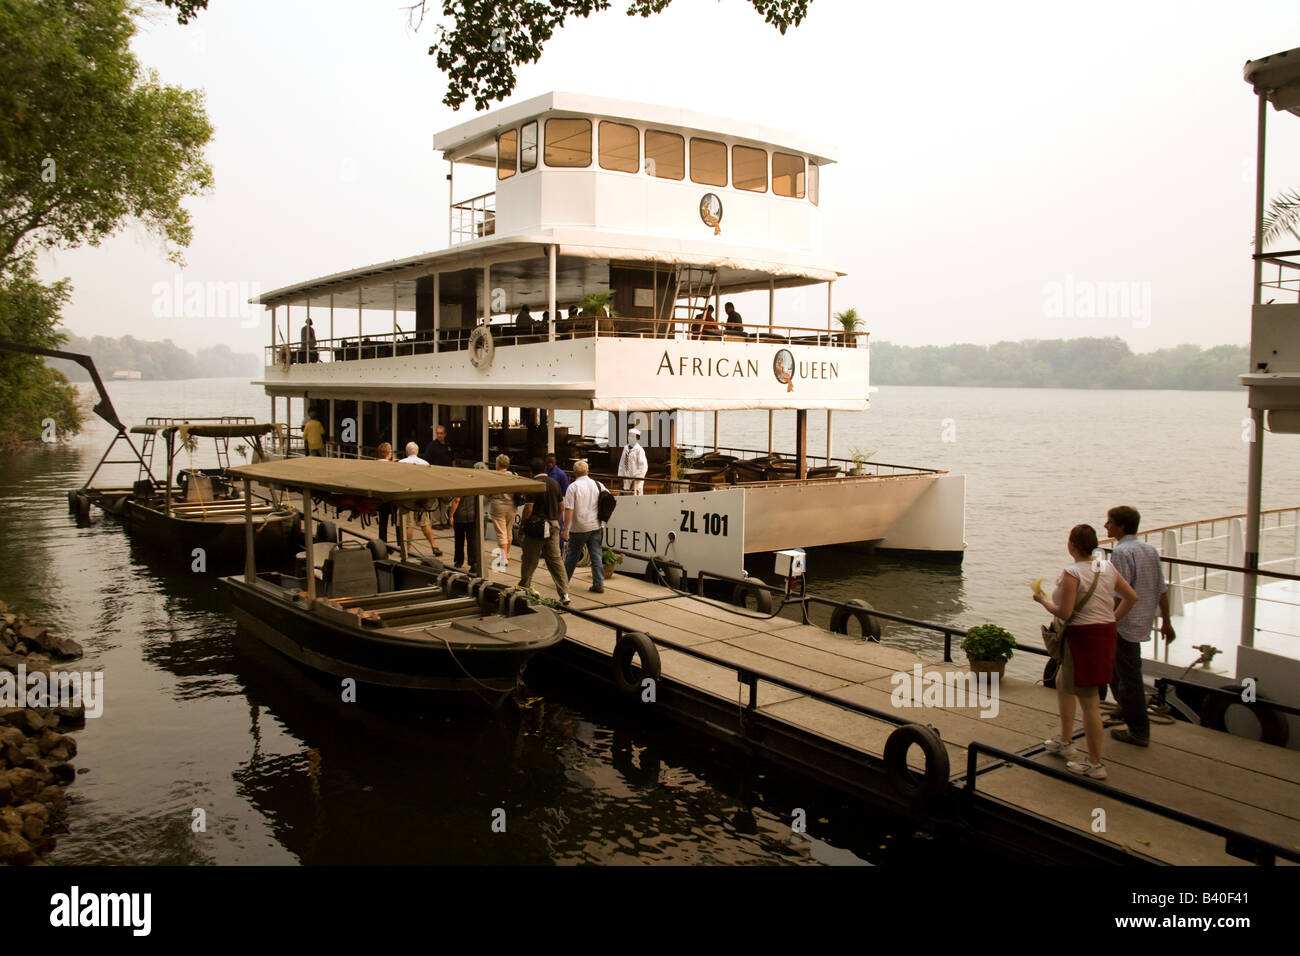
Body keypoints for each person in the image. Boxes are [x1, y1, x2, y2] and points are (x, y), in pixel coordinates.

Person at [1033, 524, 1138, 780]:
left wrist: (1043, 601)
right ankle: (1066, 738)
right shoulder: (1106, 566)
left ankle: (1095, 763)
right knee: (1062, 682)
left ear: (1071, 545)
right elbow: (1131, 597)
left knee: (1090, 701)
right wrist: (1111, 619)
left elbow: (1065, 613)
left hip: (1082, 638)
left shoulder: (1072, 573)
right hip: (1104, 635)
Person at [1104, 506, 1176, 747]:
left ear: (1121, 526)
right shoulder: (1150, 549)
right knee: (1115, 668)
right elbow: (1161, 588)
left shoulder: (1121, 553)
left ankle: (1138, 731)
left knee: (1130, 676)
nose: (1106, 526)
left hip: (1124, 623)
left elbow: (1118, 593)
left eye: (1110, 522)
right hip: (1144, 619)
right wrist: (1166, 621)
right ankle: (1125, 708)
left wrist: (1104, 618)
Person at [517, 457, 570, 605]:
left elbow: (528, 509)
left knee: (530, 559)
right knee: (555, 560)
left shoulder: (534, 485)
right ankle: (564, 593)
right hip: (552, 525)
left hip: (536, 527)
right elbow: (561, 507)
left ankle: (524, 586)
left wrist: (522, 528)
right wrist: (555, 520)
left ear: (531, 471)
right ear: (544, 469)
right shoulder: (554, 484)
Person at [563, 459, 607, 593]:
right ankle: (598, 583)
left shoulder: (573, 487)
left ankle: (563, 581)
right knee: (596, 555)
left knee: (573, 555)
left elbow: (569, 509)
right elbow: (608, 498)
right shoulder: (598, 484)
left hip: (579, 527)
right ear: (587, 470)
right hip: (595, 525)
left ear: (574, 472)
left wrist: (565, 528)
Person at [398, 442, 441, 556]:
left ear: (406, 452)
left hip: (407, 497)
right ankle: (434, 546)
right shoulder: (425, 463)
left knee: (408, 524)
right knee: (425, 523)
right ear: (417, 451)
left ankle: (407, 549)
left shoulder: (401, 463)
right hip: (421, 497)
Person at [447, 462, 487, 570]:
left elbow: (456, 500)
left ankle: (458, 561)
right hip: (472, 516)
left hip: (460, 516)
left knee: (459, 539)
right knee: (472, 540)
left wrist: (451, 515)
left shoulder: (460, 483)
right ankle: (473, 562)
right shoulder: (476, 484)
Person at [487, 454, 517, 567]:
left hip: (498, 506)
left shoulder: (493, 476)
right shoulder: (514, 475)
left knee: (501, 532)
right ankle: (507, 554)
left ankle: (503, 558)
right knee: (508, 530)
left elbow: (487, 493)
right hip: (511, 505)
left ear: (497, 464)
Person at [374, 441, 398, 544]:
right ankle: (400, 543)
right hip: (391, 498)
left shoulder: (374, 465)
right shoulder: (392, 466)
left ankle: (382, 543)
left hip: (380, 497)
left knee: (382, 523)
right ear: (389, 453)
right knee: (398, 522)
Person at [617, 427, 647, 495]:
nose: (630, 438)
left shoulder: (639, 450)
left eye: (632, 436)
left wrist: (635, 479)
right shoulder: (625, 448)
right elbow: (622, 464)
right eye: (629, 436)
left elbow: (643, 467)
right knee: (625, 499)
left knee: (635, 500)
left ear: (637, 438)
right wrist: (620, 477)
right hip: (625, 479)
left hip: (635, 481)